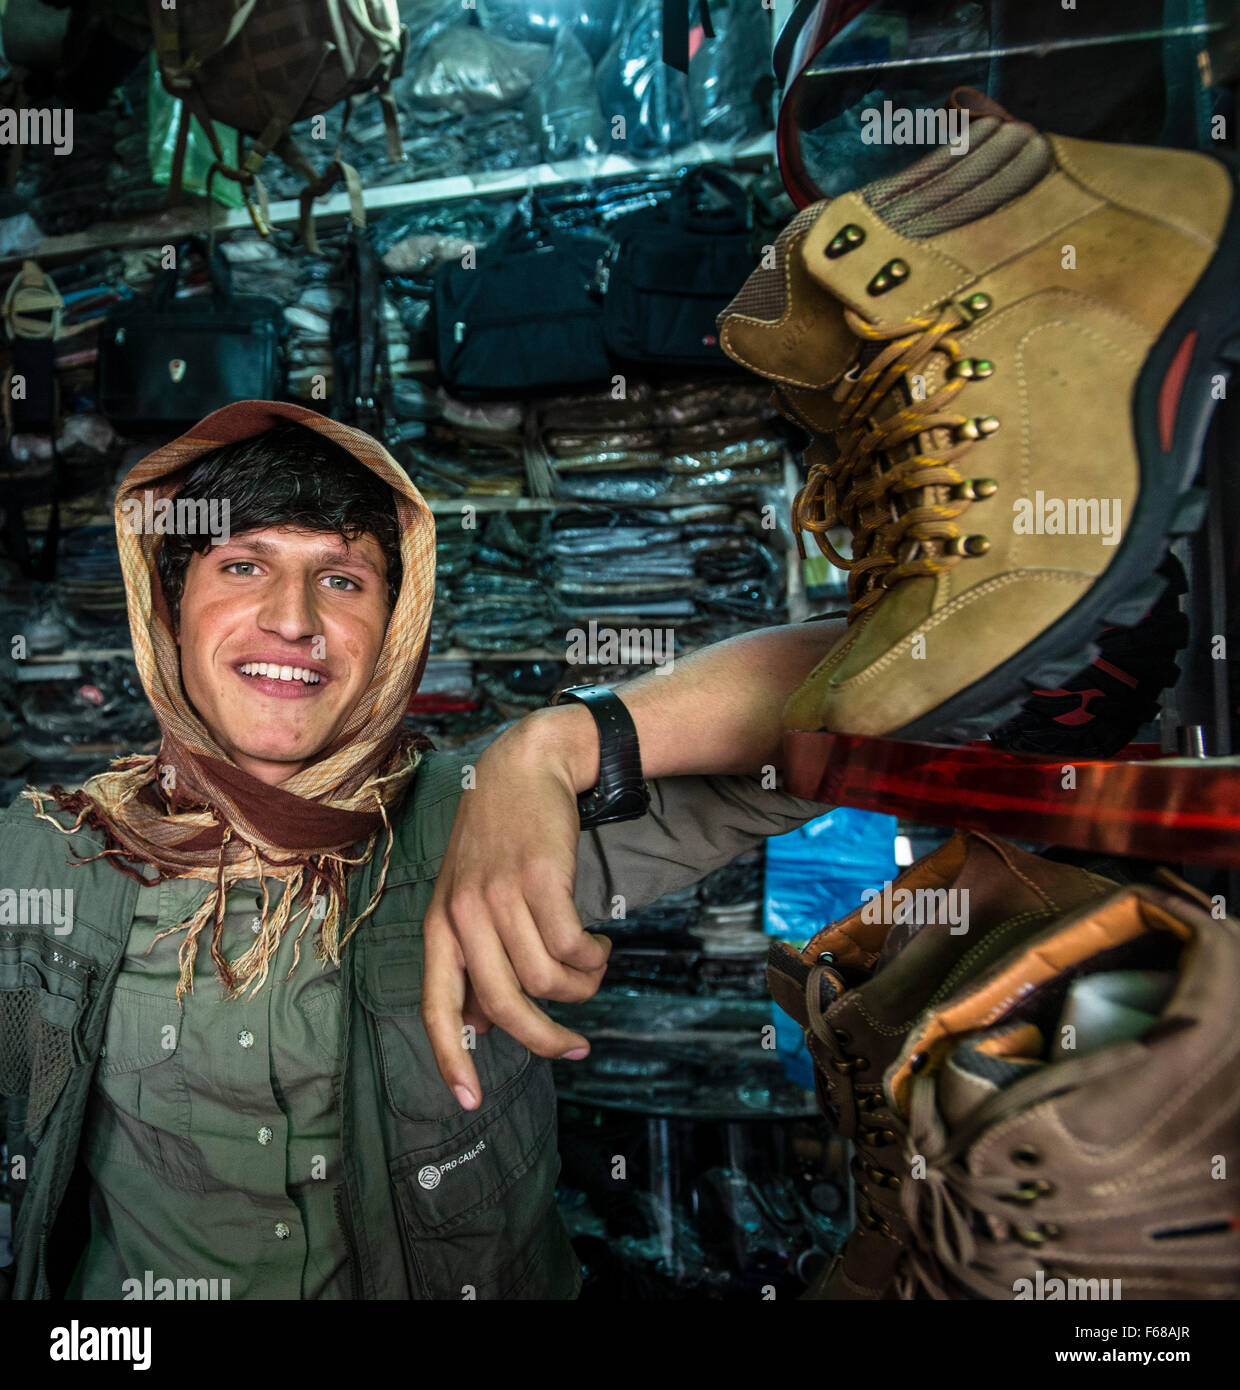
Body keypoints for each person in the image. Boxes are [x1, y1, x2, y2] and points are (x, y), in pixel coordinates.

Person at [0, 400, 833, 1300]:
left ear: (397, 626)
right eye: (243, 566)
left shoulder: (485, 819)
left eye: (344, 580)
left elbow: (881, 677)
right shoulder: (52, 857)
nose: (293, 620)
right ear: (170, 607)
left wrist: (554, 744)